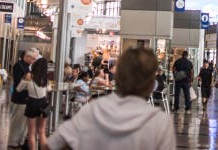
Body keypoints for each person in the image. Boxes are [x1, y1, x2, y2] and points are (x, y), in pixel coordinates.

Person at [46, 48, 176, 150]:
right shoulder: (160, 123)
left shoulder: (92, 110)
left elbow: (51, 145)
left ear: (118, 77)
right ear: (152, 84)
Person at [17, 58, 50, 150]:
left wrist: (24, 81)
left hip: (32, 103)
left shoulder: (29, 76)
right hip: (43, 104)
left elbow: (18, 89)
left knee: (31, 132)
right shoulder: (45, 79)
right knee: (42, 132)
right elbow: (49, 89)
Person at [8, 48, 38, 149]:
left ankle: (20, 141)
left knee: (23, 124)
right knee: (17, 122)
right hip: (19, 99)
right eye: (33, 58)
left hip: (26, 98)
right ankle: (13, 142)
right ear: (27, 57)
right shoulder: (18, 66)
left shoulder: (27, 66)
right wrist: (28, 81)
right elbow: (18, 83)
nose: (34, 60)